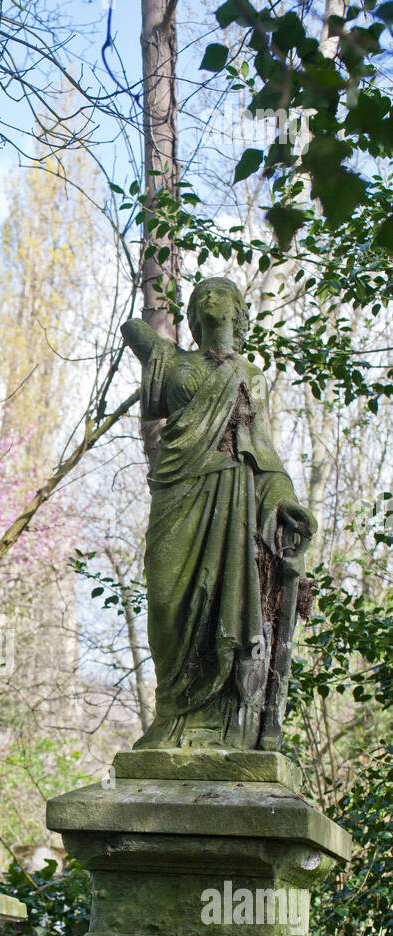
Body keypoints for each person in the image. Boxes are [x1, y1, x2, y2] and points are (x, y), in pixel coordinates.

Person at [121, 276, 316, 750]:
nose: (209, 297)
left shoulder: (250, 377)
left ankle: (223, 727)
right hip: (177, 494)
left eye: (220, 292)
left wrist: (284, 500)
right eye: (200, 295)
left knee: (222, 609)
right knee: (167, 604)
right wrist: (160, 344)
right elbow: (132, 328)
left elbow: (264, 452)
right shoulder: (173, 362)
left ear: (238, 312)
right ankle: (171, 715)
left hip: (232, 498)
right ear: (191, 316)